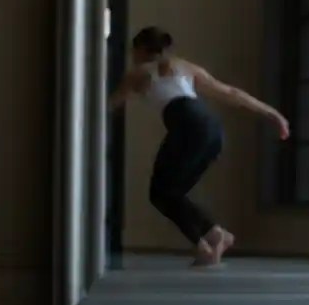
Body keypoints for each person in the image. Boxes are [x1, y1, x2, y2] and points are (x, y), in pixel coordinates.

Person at [108, 26, 291, 267]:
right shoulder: (185, 66)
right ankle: (209, 243)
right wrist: (273, 113)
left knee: (161, 193)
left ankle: (212, 239)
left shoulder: (139, 72)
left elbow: (109, 106)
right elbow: (231, 93)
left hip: (188, 127)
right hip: (211, 129)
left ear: (140, 50)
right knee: (169, 193)